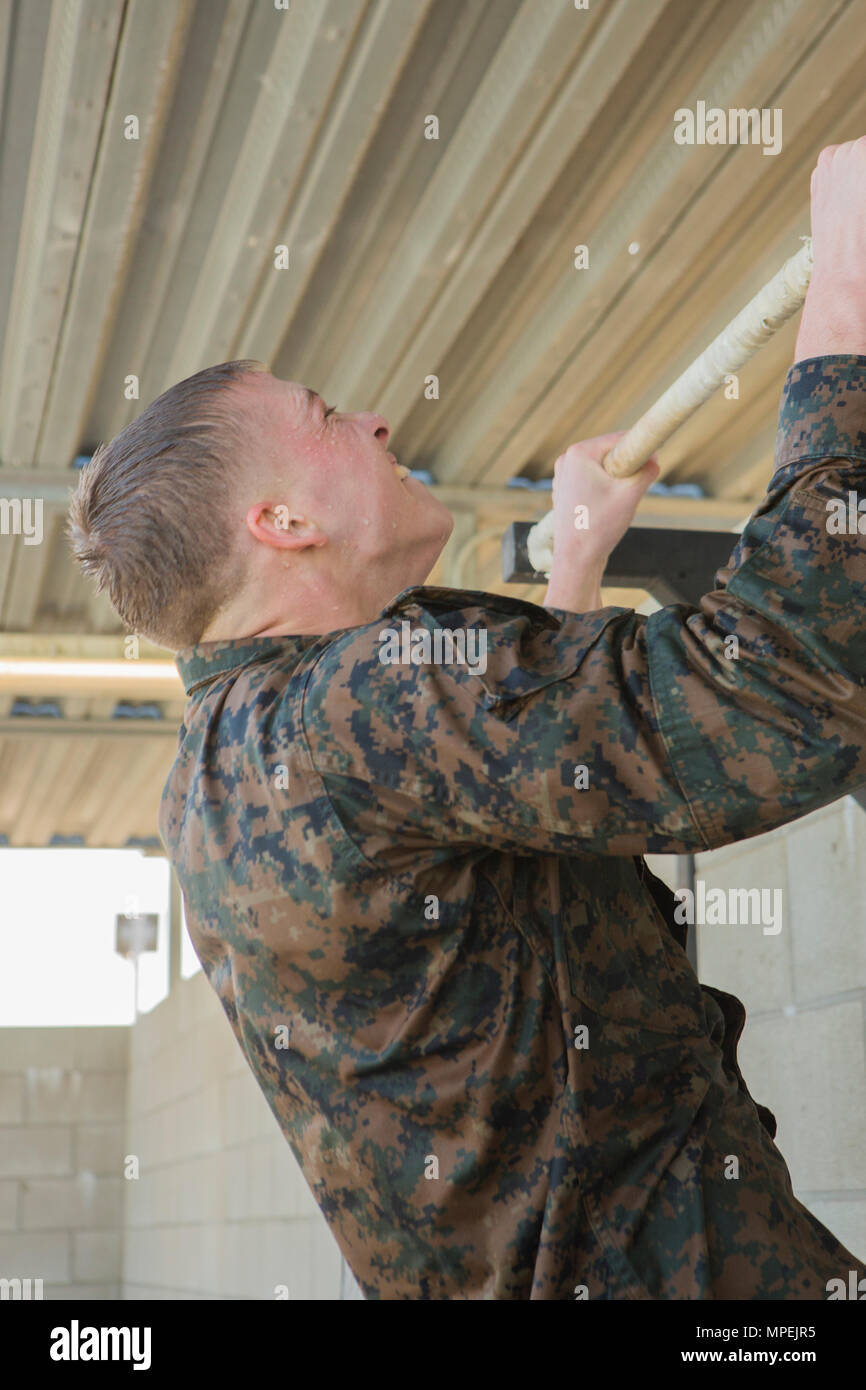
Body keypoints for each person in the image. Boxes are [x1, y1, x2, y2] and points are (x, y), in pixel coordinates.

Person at [68, 139, 866, 1299]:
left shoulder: (219, 765)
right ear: (281, 518)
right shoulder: (360, 697)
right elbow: (782, 687)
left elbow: (505, 844)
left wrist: (575, 571)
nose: (378, 419)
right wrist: (840, 291)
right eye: (328, 415)